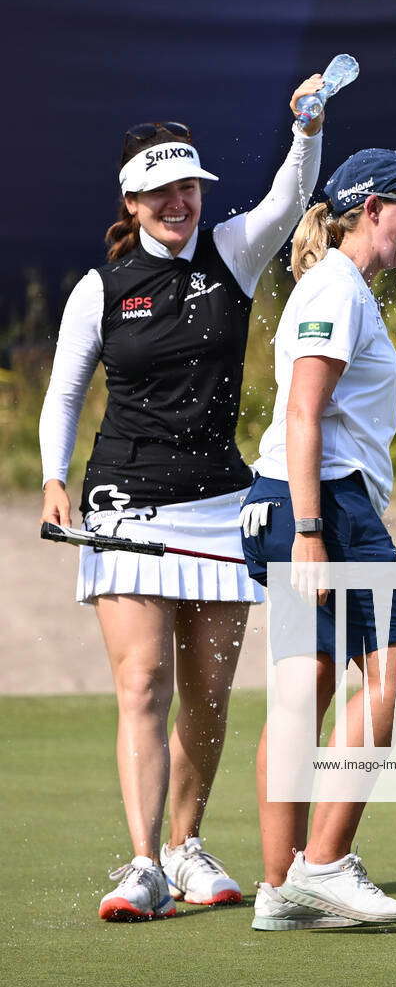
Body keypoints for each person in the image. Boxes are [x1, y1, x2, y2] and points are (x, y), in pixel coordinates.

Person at [39, 78, 324, 921]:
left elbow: (291, 196)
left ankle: (186, 845)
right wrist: (56, 480)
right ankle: (141, 866)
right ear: (131, 199)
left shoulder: (231, 251)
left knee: (208, 691)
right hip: (124, 501)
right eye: (161, 190)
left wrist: (306, 127)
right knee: (144, 683)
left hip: (217, 504)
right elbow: (63, 393)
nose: (179, 202)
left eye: (190, 186)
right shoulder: (101, 287)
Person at [240, 148, 396, 929]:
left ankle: (281, 890)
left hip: (296, 500)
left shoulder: (334, 286)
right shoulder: (336, 286)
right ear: (371, 208)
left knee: (308, 690)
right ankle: (325, 865)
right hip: (321, 507)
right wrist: (308, 532)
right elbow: (303, 412)